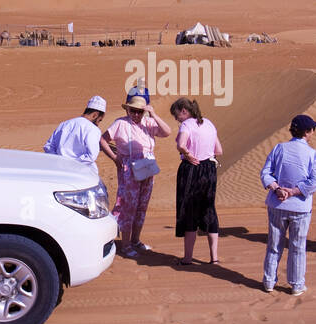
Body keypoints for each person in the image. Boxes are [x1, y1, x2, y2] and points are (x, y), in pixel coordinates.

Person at [100, 94, 171, 257]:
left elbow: (167, 131)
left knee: (142, 205)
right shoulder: (120, 123)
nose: (137, 115)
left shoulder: (148, 123)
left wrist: (153, 114)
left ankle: (135, 240)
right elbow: (103, 140)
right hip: (129, 169)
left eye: (140, 111)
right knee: (128, 206)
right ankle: (125, 245)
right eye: (133, 111)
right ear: (128, 110)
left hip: (147, 167)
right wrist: (115, 158)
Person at [260, 114, 316, 295]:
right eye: (312, 130)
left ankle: (269, 281)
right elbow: (315, 181)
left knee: (274, 244)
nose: (313, 133)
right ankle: (296, 284)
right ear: (307, 132)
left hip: (277, 205)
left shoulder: (279, 148)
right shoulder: (311, 153)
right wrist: (294, 191)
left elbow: (266, 173)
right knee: (297, 246)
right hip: (299, 208)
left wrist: (278, 189)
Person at [171, 97, 222, 265]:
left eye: (176, 115)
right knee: (209, 210)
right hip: (209, 170)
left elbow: (180, 144)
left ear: (184, 111)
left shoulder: (187, 125)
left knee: (190, 210)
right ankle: (214, 257)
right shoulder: (209, 123)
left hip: (192, 169)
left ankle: (188, 258)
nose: (176, 119)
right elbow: (219, 150)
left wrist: (187, 154)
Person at [43, 95, 107, 171]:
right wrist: (72, 164)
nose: (98, 124)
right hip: (81, 174)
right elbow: (91, 156)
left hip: (58, 171)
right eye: (99, 120)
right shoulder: (93, 129)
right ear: (95, 115)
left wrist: (59, 163)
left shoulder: (65, 124)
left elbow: (48, 146)